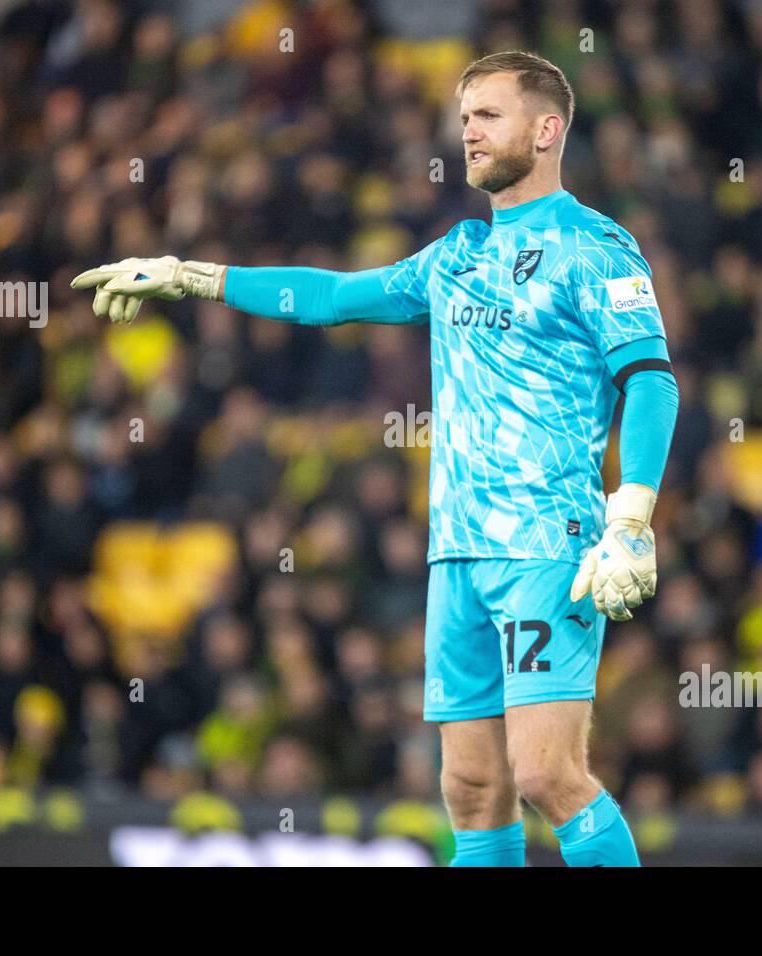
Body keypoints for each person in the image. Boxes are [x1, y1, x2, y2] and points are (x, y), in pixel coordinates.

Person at [71, 51, 679, 867]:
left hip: (545, 543)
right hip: (455, 551)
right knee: (470, 786)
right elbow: (332, 296)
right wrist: (193, 276)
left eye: (488, 115)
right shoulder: (455, 256)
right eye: (464, 117)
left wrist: (631, 516)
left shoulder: (595, 247)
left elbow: (651, 383)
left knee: (544, 773)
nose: (468, 130)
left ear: (547, 129)